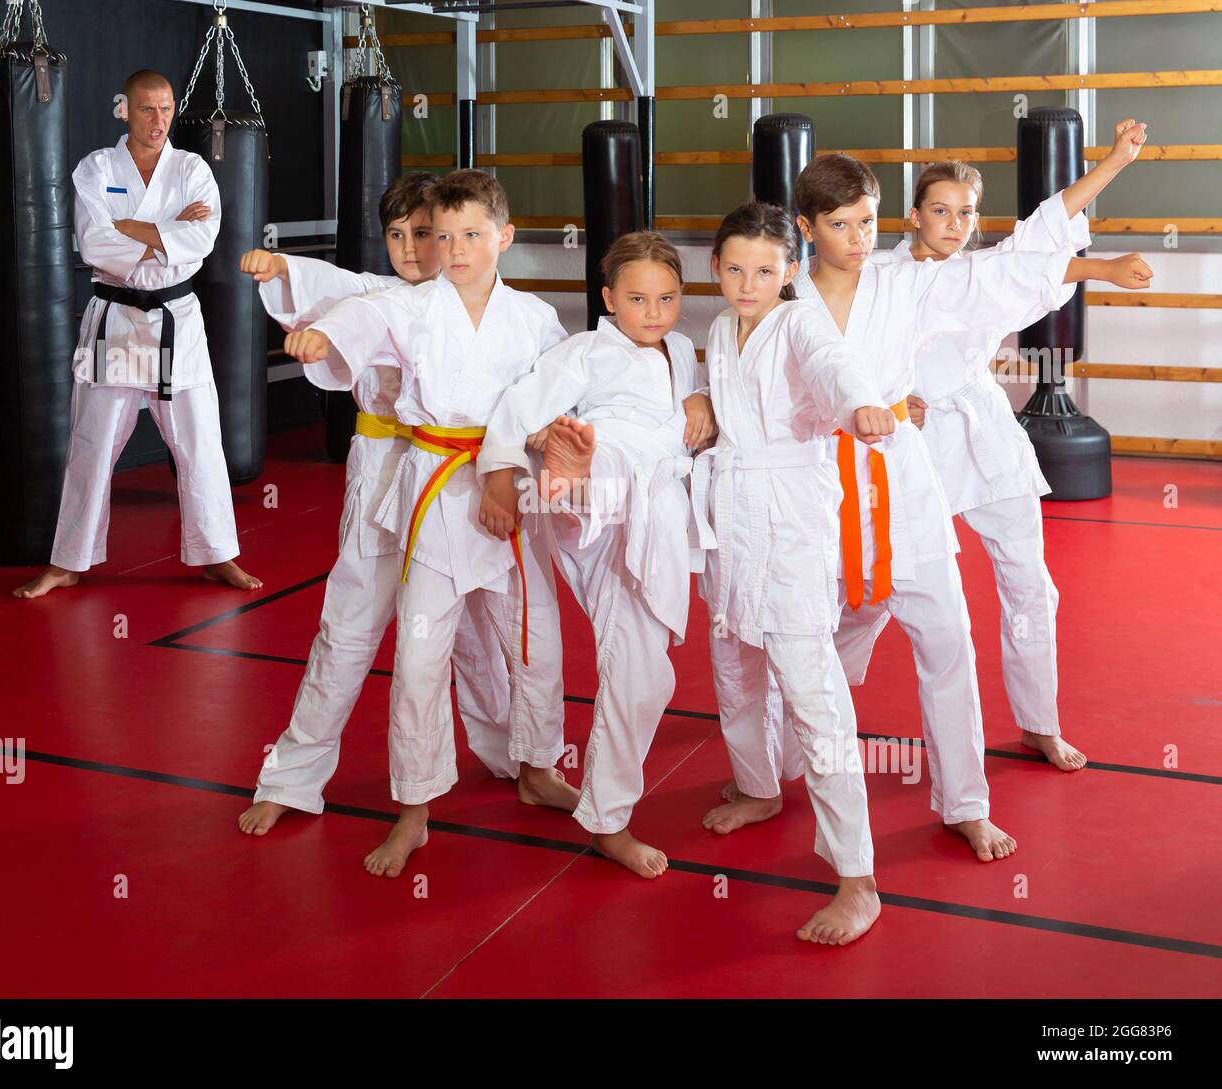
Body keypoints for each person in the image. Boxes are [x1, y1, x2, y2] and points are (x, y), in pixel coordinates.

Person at [284, 170, 579, 878]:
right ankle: (413, 809)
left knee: (535, 643)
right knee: (418, 661)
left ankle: (537, 765)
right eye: (442, 237)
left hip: (508, 491)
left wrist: (558, 444)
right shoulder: (413, 307)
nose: (454, 250)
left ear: (504, 237)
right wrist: (323, 333)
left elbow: (560, 392)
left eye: (472, 235)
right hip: (435, 495)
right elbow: (365, 316)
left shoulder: (535, 318)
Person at [862, 119, 1151, 773]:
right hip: (913, 439)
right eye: (940, 210)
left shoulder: (978, 268)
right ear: (913, 216)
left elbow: (1041, 236)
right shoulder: (885, 278)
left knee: (1031, 586)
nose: (955, 223)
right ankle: (810, 699)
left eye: (965, 212)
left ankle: (1039, 723)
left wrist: (1114, 163)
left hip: (985, 431)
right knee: (877, 587)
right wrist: (885, 395)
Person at [236, 173, 517, 836]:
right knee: (348, 625)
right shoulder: (378, 293)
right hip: (385, 470)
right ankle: (292, 776)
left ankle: (513, 752)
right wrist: (281, 269)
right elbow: (338, 295)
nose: (413, 247)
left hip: (462, 475)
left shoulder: (481, 307)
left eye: (426, 233)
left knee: (480, 627)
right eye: (398, 234)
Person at [475, 231, 717, 878]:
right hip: (603, 490)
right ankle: (571, 465)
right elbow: (518, 405)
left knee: (647, 672)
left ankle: (572, 466)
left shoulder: (681, 351)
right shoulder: (586, 351)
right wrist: (507, 460)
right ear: (609, 299)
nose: (654, 311)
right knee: (602, 445)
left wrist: (700, 401)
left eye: (667, 297)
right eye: (638, 298)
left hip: (657, 511)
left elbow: (694, 421)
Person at [696, 203, 895, 944]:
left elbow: (833, 367)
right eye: (735, 268)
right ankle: (758, 786)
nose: (749, 283)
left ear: (790, 272)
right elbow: (719, 394)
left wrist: (861, 404)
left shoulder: (801, 322)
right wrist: (696, 398)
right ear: (716, 267)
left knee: (815, 700)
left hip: (790, 527)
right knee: (735, 667)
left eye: (766, 270)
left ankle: (858, 877)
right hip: (731, 522)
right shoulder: (719, 329)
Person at [13, 69, 258, 599]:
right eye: (147, 109)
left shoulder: (192, 168)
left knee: (200, 445)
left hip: (177, 320)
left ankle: (218, 555)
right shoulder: (95, 168)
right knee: (92, 444)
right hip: (115, 322)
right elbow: (94, 245)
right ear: (124, 109)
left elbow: (204, 238)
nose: (158, 120)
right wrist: (167, 231)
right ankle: (68, 560)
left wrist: (134, 229)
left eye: (166, 108)